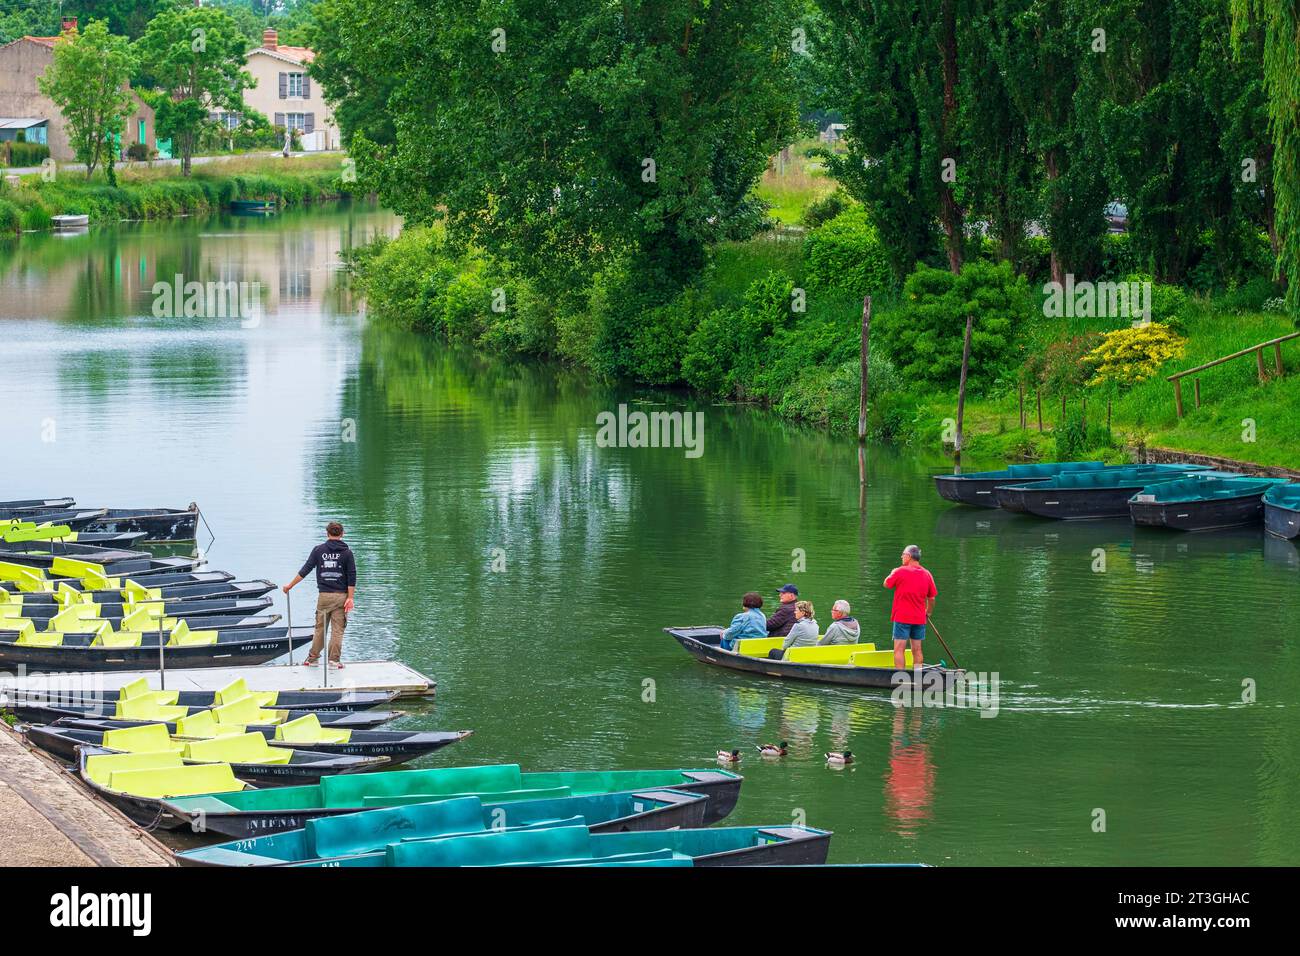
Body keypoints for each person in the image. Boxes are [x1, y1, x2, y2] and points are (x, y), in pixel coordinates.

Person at [283, 521, 356, 669]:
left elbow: (305, 570)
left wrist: (289, 586)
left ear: (327, 533)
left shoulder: (318, 550)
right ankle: (334, 661)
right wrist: (350, 598)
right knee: (337, 631)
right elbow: (352, 576)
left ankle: (312, 659)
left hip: (324, 597)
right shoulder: (347, 553)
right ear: (342, 534)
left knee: (320, 629)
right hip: (341, 596)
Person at [883, 544, 937, 670]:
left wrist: (892, 572)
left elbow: (886, 584)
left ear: (908, 556)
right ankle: (918, 677)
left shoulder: (900, 571)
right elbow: (932, 598)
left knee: (899, 649)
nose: (901, 557)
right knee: (917, 649)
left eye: (903, 554)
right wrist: (928, 612)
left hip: (902, 617)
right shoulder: (927, 574)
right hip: (919, 618)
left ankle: (900, 678)